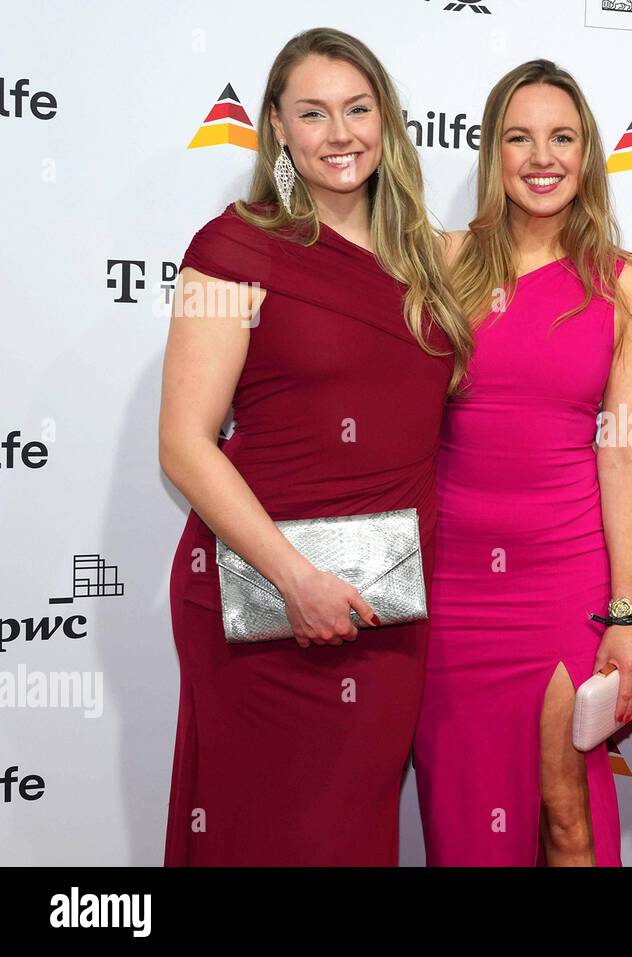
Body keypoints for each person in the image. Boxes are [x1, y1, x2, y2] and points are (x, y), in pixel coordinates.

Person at [159, 28, 471, 865]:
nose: (341, 133)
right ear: (278, 129)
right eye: (314, 113)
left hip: (385, 605)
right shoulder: (233, 249)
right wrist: (294, 580)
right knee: (265, 834)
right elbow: (186, 445)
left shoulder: (429, 264)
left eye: (358, 109)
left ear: (387, 120)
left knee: (351, 834)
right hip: (265, 604)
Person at [411, 59, 632, 867]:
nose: (541, 156)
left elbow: (627, 452)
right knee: (465, 820)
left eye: (562, 137)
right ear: (492, 152)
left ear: (587, 153)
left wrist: (627, 609)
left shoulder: (626, 287)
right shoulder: (441, 263)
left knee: (567, 817)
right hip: (449, 587)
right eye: (519, 137)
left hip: (564, 579)